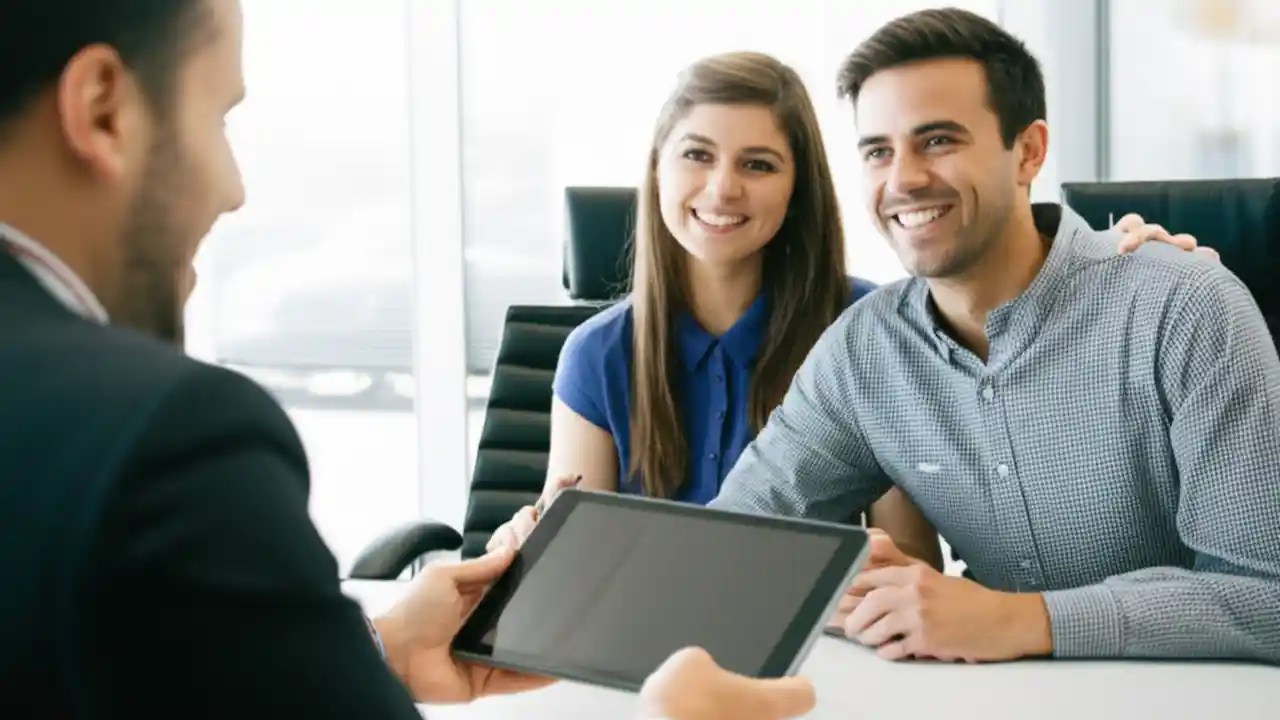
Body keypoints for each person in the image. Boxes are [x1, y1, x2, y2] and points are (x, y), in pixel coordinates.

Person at [0, 1, 814, 717]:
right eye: (218, 119)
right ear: (103, 109)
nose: (235, 188)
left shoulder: (857, 330)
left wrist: (382, 645)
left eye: (757, 163)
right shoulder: (166, 435)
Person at [705, 8, 1280, 665]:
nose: (903, 179)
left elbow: (1268, 598)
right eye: (878, 152)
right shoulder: (864, 350)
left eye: (939, 141)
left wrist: (1022, 620)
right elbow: (733, 543)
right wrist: (836, 585)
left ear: (1028, 151)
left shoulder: (1185, 310)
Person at [487, 52, 1205, 563]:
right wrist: (526, 550)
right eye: (696, 155)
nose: (723, 188)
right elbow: (571, 550)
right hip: (653, 644)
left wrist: (1111, 281)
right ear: (656, 170)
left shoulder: (874, 335)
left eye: (758, 164)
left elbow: (911, 565)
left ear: (799, 186)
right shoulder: (599, 351)